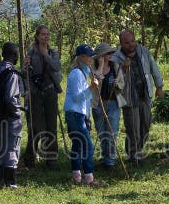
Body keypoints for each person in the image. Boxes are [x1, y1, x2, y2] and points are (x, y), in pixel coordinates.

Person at [111, 29, 164, 165]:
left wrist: (159, 85)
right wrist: (123, 68)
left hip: (145, 94)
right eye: (127, 42)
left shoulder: (143, 51)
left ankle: (137, 150)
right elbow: (116, 81)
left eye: (133, 41)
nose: (131, 44)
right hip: (129, 97)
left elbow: (153, 67)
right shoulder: (116, 58)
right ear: (121, 43)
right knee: (133, 128)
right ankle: (134, 155)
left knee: (146, 124)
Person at [22, 25, 62, 168]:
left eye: (47, 34)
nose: (46, 37)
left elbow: (57, 67)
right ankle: (30, 157)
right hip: (35, 93)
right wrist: (26, 66)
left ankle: (51, 159)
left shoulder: (53, 52)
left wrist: (46, 55)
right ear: (37, 36)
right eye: (43, 34)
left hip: (50, 91)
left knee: (51, 126)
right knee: (36, 126)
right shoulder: (31, 53)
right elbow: (24, 74)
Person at [65, 45, 103, 186]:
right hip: (75, 114)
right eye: (88, 56)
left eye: (91, 56)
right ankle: (89, 178)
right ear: (80, 57)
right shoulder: (76, 74)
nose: (91, 59)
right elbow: (77, 98)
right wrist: (92, 87)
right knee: (87, 145)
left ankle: (76, 176)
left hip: (78, 114)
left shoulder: (82, 72)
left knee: (77, 145)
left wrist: (87, 115)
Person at [0, 42, 24, 189]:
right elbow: (10, 97)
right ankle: (10, 181)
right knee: (12, 146)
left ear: (3, 54)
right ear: (15, 56)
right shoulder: (12, 73)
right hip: (9, 116)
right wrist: (17, 112)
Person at [91, 42, 125, 169]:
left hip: (113, 103)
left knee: (112, 132)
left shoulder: (115, 66)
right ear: (101, 55)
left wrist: (118, 83)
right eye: (108, 53)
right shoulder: (93, 68)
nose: (111, 55)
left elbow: (122, 84)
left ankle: (110, 162)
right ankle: (106, 159)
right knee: (102, 133)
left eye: (111, 52)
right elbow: (95, 83)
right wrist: (100, 66)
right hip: (98, 104)